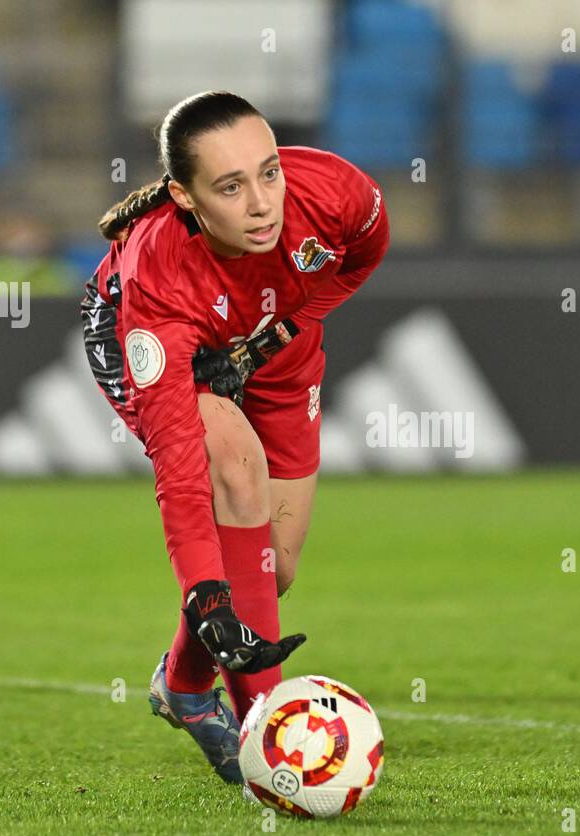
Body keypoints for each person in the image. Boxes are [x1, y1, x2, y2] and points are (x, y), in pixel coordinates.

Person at [82, 90, 390, 783]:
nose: (262, 204)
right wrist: (205, 596)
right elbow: (182, 468)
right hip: (163, 343)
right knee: (237, 472)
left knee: (270, 569)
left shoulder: (338, 193)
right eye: (230, 186)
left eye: (269, 172)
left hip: (277, 344)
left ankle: (185, 686)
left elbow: (363, 256)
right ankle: (269, 736)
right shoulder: (158, 279)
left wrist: (280, 330)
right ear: (185, 198)